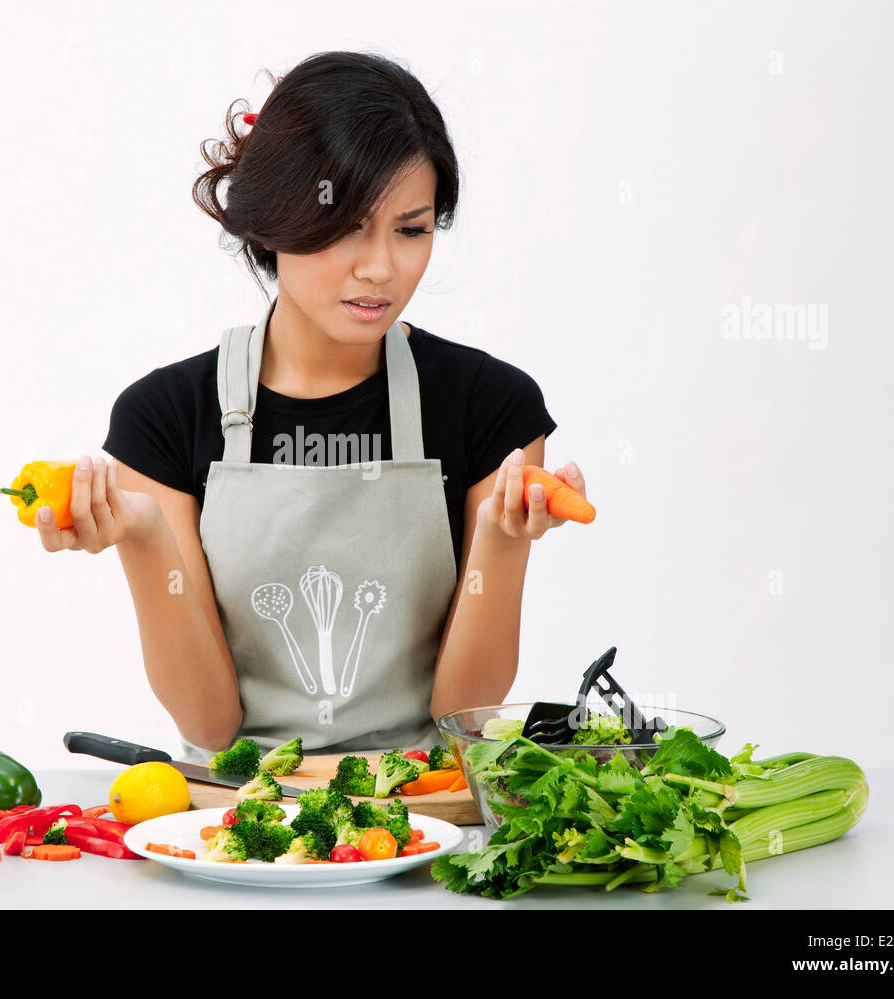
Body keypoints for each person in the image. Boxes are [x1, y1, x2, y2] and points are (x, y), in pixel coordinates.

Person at [34, 51, 588, 762]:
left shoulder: (491, 408)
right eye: (348, 225)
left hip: (421, 819)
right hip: (234, 819)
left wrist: (502, 539)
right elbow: (209, 728)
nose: (381, 267)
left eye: (410, 229)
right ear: (271, 222)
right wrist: (141, 537)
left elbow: (463, 722)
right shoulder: (163, 419)